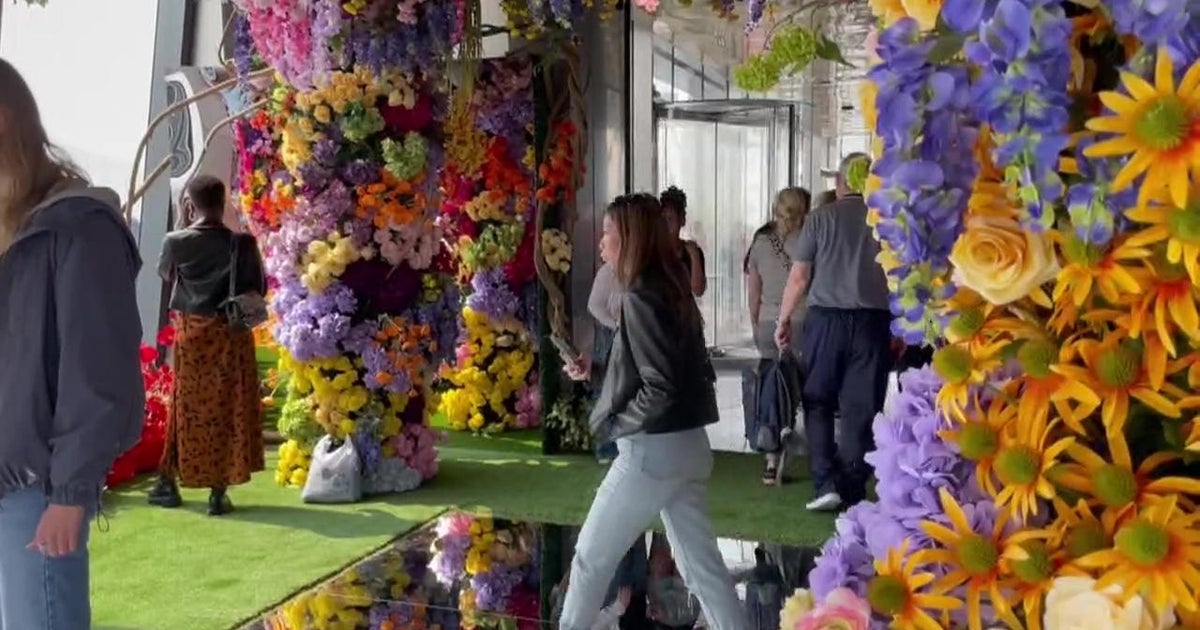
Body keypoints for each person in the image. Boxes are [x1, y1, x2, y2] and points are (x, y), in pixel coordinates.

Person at [0, 58, 145, 630]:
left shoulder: (77, 227)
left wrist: (71, 495)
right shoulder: (13, 226)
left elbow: (97, 369)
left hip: (37, 491)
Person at [560, 193, 744, 630]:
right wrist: (598, 371)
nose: (600, 241)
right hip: (686, 449)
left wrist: (618, 425)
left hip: (651, 455)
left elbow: (659, 387)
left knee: (590, 560)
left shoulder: (642, 296)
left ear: (628, 238)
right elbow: (660, 373)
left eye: (607, 232)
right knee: (704, 571)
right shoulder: (668, 287)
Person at [775, 153, 893, 512]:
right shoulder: (887, 220)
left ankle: (824, 483)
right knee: (862, 407)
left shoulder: (820, 218)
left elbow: (799, 277)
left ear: (841, 182)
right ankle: (853, 487)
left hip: (826, 321)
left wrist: (783, 320)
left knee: (819, 400)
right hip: (874, 322)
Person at [148, 175, 266, 516]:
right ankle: (218, 490)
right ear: (223, 202)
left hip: (192, 333)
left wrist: (184, 224)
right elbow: (259, 288)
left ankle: (168, 481)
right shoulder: (242, 244)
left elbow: (165, 274)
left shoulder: (176, 240)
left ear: (189, 203)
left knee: (184, 405)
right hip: (230, 333)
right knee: (228, 406)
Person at [744, 187, 810, 485]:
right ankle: (812, 447)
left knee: (773, 384)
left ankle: (771, 459)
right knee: (807, 386)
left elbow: (753, 293)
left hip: (769, 324)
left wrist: (757, 325)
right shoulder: (810, 241)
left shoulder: (759, 243)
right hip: (803, 323)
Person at [588, 261, 623, 465]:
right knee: (604, 387)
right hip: (610, 334)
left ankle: (618, 445)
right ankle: (605, 447)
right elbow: (594, 306)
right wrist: (615, 324)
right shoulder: (608, 271)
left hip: (625, 331)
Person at [660, 186, 706, 297]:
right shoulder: (654, 252)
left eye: (670, 219)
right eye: (663, 220)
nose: (666, 225)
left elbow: (698, 290)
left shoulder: (692, 252)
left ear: (682, 220)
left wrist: (694, 256)